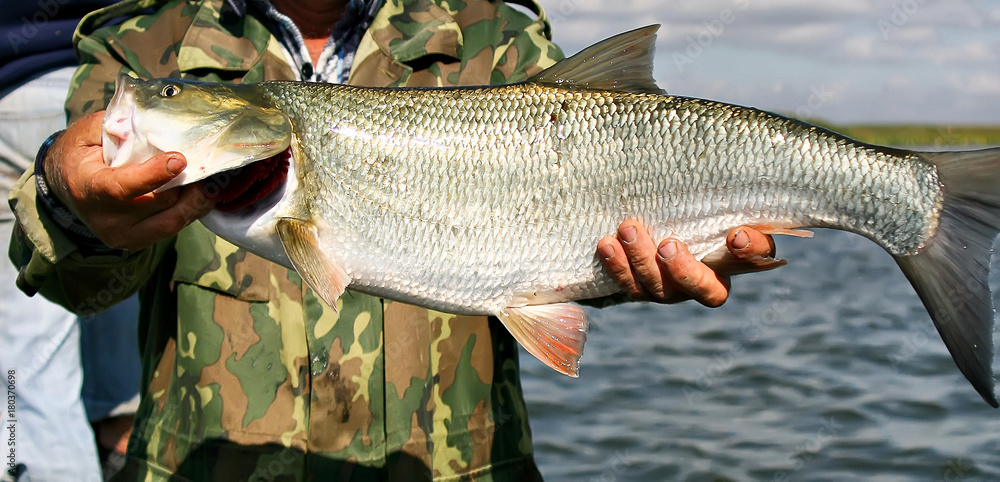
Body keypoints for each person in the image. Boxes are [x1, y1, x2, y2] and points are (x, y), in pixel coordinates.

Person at [7, 0, 776, 479]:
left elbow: (582, 235)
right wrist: (69, 205)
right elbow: (77, 285)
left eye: (172, 101)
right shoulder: (143, 40)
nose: (153, 105)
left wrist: (629, 273)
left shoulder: (495, 30)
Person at [0, 2, 137, 480]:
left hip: (20, 83)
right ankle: (111, 441)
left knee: (27, 364)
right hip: (120, 71)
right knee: (108, 283)